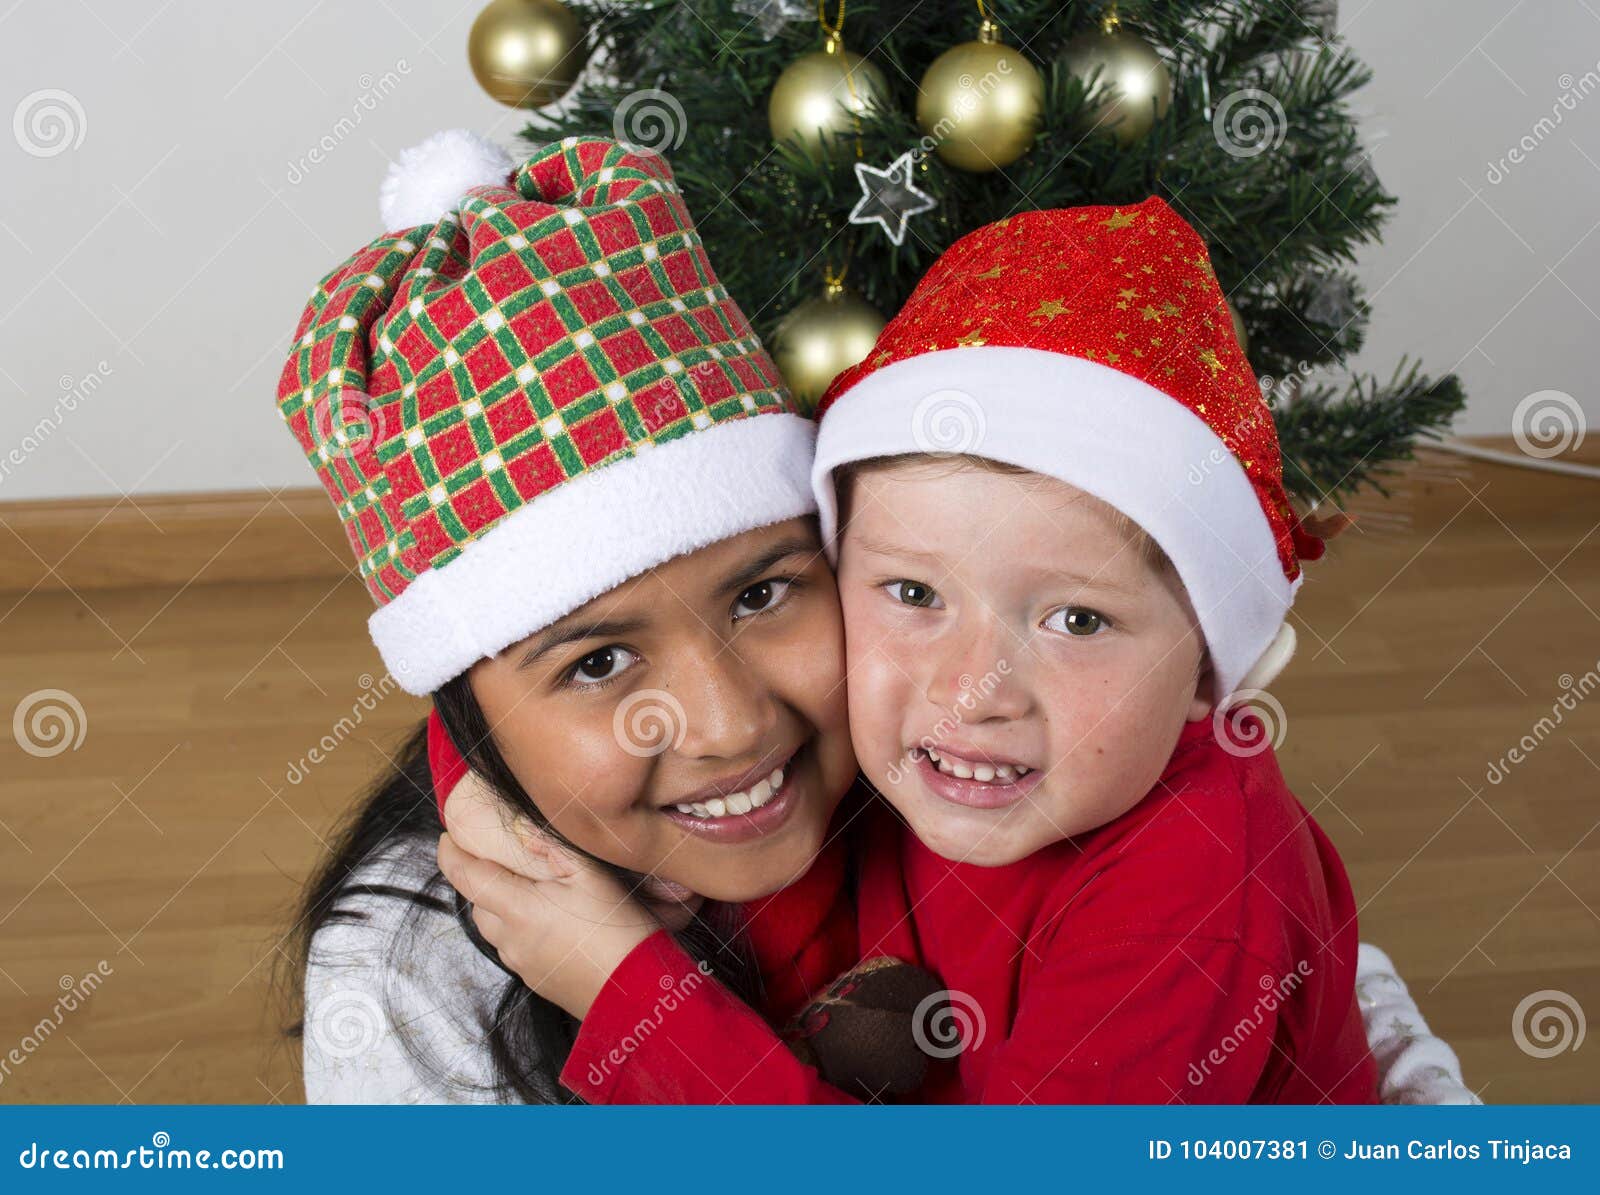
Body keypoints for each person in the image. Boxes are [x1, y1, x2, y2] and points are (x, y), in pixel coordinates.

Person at [436, 199, 1481, 1105]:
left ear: (1207, 665)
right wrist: (484, 799)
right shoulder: (872, 737)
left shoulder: (1194, 885)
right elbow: (500, 682)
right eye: (913, 593)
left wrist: (629, 995)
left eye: (1074, 620)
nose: (968, 690)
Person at [277, 130, 859, 1103]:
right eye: (596, 663)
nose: (732, 724)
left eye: (760, 595)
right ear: (465, 707)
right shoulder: (408, 986)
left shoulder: (957, 775)